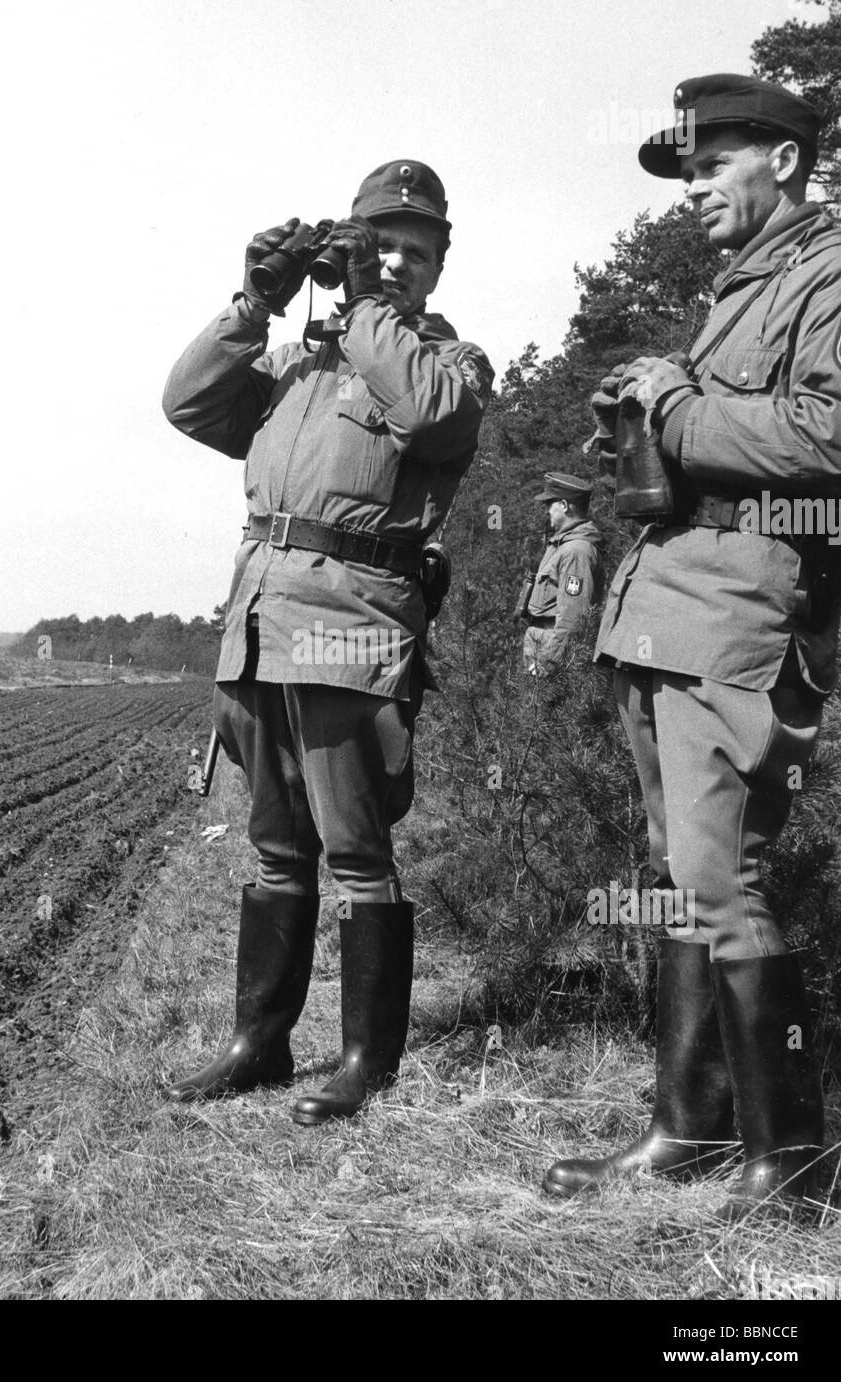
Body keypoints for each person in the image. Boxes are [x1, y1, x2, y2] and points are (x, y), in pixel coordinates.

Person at [543, 74, 841, 1220]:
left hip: (741, 611)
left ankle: (790, 1160)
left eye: (712, 161)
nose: (694, 188)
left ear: (781, 157)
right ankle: (686, 1128)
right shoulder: (745, 286)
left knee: (724, 878)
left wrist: (671, 404)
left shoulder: (828, 270)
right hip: (672, 602)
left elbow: (829, 437)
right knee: (683, 877)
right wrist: (643, 419)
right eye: (687, 170)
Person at [161, 161, 492, 1125]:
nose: (394, 261)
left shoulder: (447, 362)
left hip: (353, 628)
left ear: (435, 271)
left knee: (355, 846)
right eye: (376, 242)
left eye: (413, 253)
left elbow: (431, 417)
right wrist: (252, 303)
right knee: (272, 847)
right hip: (260, 621)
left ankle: (362, 1062)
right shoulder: (297, 370)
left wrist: (360, 307)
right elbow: (190, 405)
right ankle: (257, 1045)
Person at [522, 472, 603, 676]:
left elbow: (573, 616)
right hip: (543, 646)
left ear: (565, 506)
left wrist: (548, 663)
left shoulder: (576, 551)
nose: (547, 510)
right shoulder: (562, 546)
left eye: (550, 504)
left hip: (554, 658)